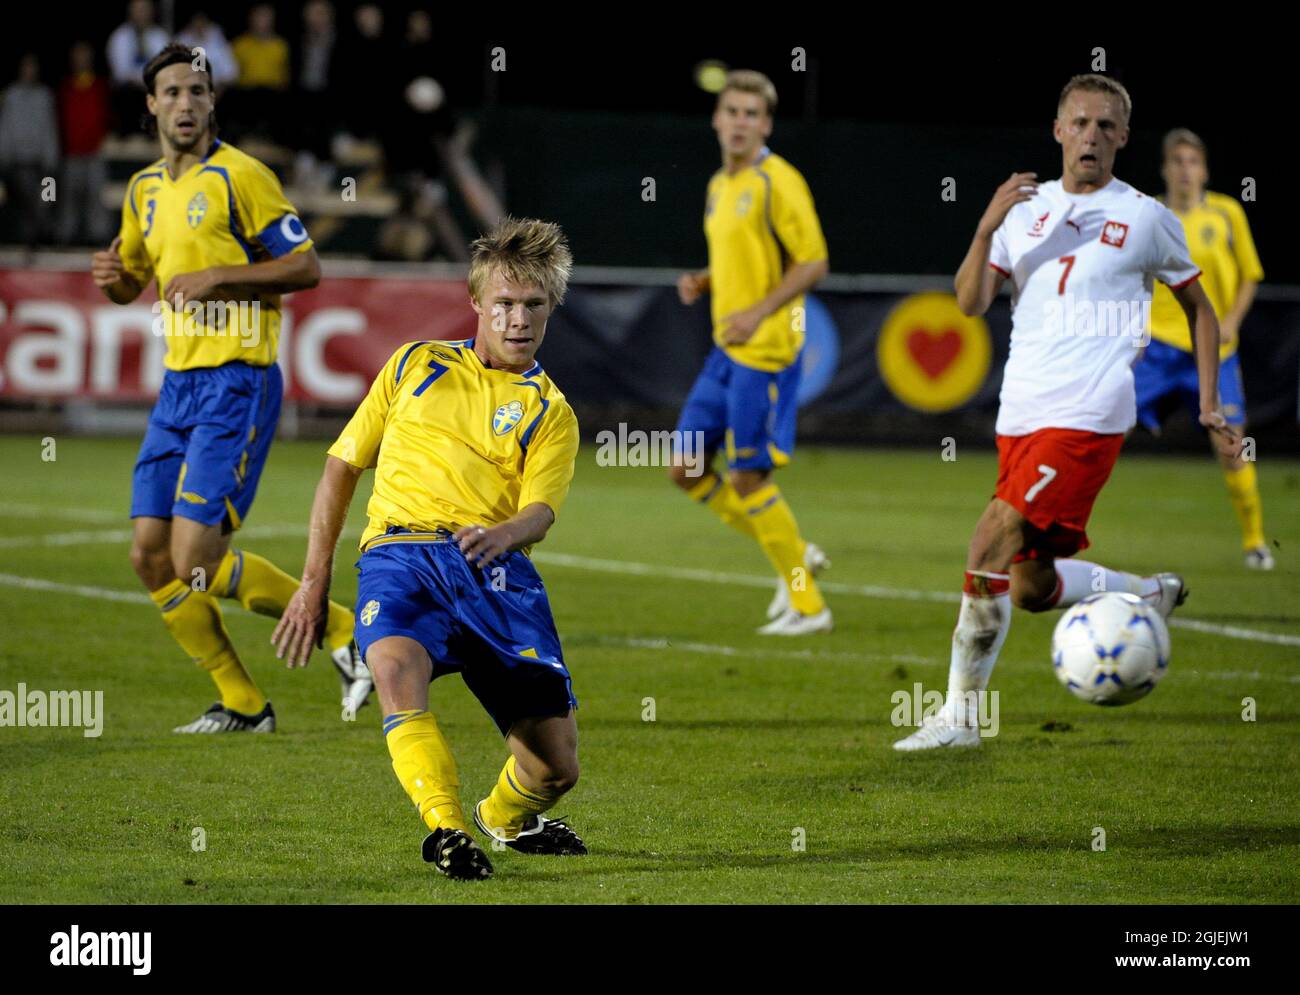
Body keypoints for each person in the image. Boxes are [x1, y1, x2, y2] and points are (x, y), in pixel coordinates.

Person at [894, 74, 1240, 751]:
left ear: (1123, 137)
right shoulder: (1023, 210)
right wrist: (987, 223)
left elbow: (1201, 308)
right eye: (1080, 123)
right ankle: (1145, 592)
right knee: (1028, 583)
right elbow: (968, 302)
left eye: (1106, 126)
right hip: (1021, 415)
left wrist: (1208, 399)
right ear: (1057, 130)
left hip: (1090, 413)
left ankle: (961, 716)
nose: (1092, 136)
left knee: (990, 538)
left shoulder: (1143, 216)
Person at [273, 217, 587, 880]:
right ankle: (445, 830)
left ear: (552, 307)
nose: (517, 318)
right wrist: (313, 578)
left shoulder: (550, 410)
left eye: (534, 304)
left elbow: (541, 511)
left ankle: (501, 818)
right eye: (503, 302)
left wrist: (504, 534)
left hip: (494, 572)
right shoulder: (417, 365)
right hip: (400, 554)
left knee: (555, 766)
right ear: (476, 301)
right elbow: (341, 466)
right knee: (393, 671)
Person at [90, 43, 371, 733]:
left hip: (237, 382)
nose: (186, 104)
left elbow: (306, 267)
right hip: (178, 386)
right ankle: (244, 703)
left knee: (195, 558)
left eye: (197, 91)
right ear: (150, 104)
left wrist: (221, 277)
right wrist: (117, 281)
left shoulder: (242, 176)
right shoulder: (144, 190)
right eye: (172, 93)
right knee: (149, 555)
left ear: (213, 101)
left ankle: (340, 630)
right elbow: (135, 279)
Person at [669, 69, 832, 636]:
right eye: (731, 111)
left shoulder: (777, 181)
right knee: (686, 468)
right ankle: (794, 548)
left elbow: (813, 261)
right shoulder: (721, 185)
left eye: (750, 114)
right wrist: (708, 281)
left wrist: (759, 312)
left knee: (747, 478)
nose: (739, 122)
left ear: (765, 124)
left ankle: (809, 604)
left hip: (763, 351)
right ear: (717, 119)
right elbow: (749, 259)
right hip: (725, 350)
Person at [1134, 128, 1271, 569]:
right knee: (1100, 429)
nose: (1185, 170)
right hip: (1156, 347)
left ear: (1205, 170)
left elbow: (1250, 274)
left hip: (1212, 350)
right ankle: (1060, 530)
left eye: (1193, 162)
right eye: (1177, 161)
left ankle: (1255, 542)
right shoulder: (1148, 213)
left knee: (1233, 445)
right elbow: (1128, 273)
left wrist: (1231, 321)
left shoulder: (1227, 214)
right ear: (1164, 170)